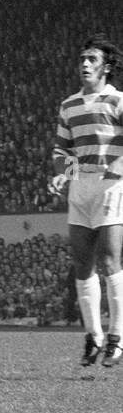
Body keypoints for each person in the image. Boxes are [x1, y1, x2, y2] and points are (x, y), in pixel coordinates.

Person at [49, 34, 123, 368]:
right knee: (82, 261)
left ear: (107, 67)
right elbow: (61, 148)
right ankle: (93, 338)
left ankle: (117, 337)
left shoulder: (118, 101)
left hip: (111, 183)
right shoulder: (69, 105)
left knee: (109, 261)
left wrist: (118, 169)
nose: (84, 65)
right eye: (82, 59)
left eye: (92, 59)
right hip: (80, 185)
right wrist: (61, 172)